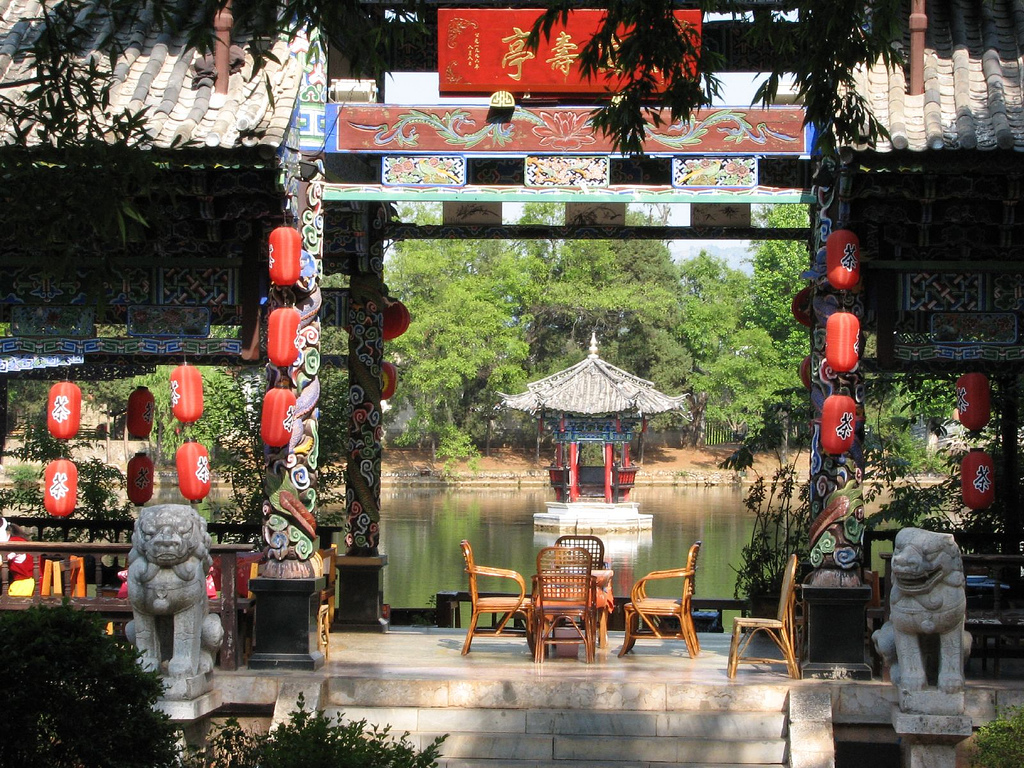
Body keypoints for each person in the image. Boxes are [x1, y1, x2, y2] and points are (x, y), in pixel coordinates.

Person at [0, 516, 35, 596]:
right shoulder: (16, 540)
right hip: (24, 582)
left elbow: (1, 560)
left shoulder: (15, 543)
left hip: (29, 584)